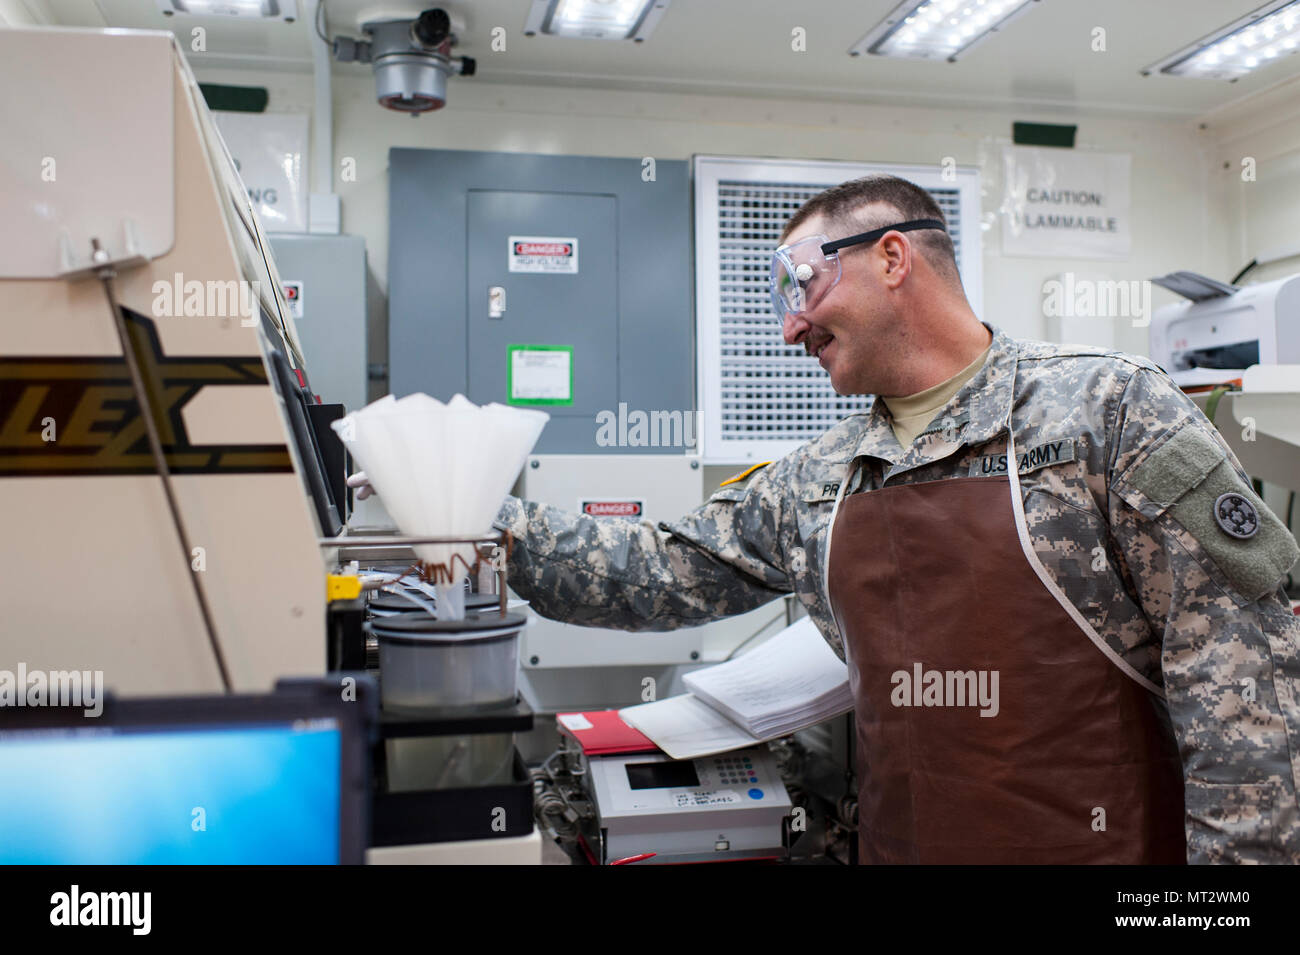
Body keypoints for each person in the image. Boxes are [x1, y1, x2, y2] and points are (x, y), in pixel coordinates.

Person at [355, 175, 1300, 864]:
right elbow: (656, 570)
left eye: (798, 284)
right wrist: (469, 511)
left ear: (892, 257)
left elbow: (1243, 688)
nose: (787, 327)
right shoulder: (823, 475)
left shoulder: (1104, 410)